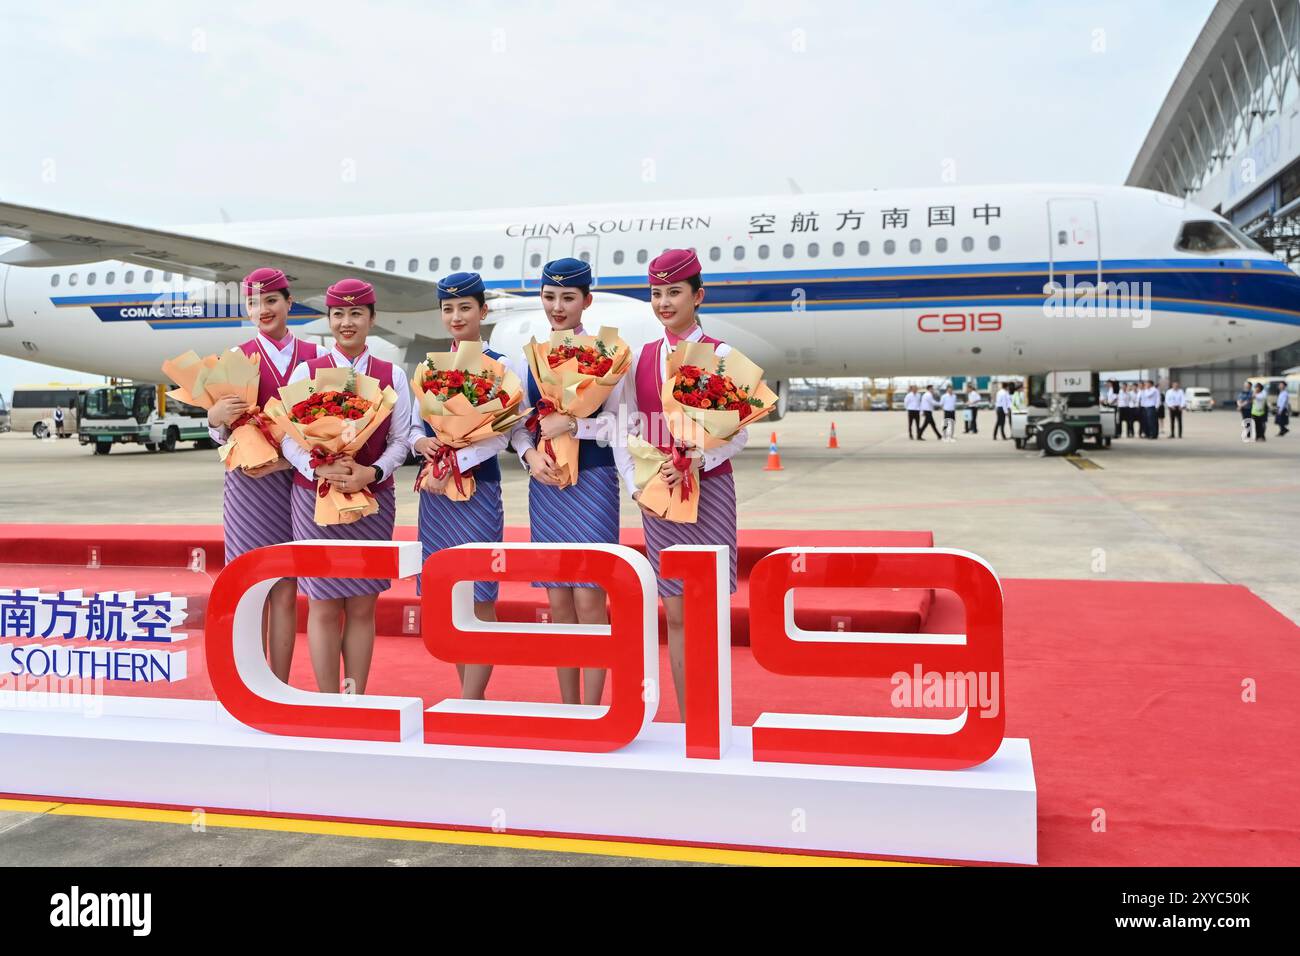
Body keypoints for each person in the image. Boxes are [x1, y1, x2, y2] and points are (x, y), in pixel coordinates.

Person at [610, 248, 748, 717]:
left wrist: (697, 459)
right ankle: (692, 718)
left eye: (674, 292)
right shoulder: (641, 359)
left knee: (708, 611)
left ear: (698, 295)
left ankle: (714, 716)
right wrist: (635, 487)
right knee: (675, 611)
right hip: (658, 497)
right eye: (656, 293)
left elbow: (740, 433)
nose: (664, 302)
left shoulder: (721, 355)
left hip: (710, 493)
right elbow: (624, 428)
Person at [282, 278, 410, 694]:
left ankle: (355, 696)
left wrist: (371, 474)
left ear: (372, 319)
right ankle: (326, 699)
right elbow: (287, 436)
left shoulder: (393, 375)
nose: (346, 322)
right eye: (338, 314)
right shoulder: (308, 371)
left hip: (371, 499)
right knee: (321, 603)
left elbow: (402, 441)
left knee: (361, 605)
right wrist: (316, 468)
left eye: (356, 313)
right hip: (314, 497)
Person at [506, 258, 619, 706]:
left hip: (593, 481)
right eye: (550, 297)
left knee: (590, 598)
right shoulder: (528, 357)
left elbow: (623, 424)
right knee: (557, 601)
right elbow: (515, 423)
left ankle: (594, 706)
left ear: (586, 301)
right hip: (547, 484)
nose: (558, 306)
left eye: (568, 298)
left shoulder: (607, 357)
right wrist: (530, 455)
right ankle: (568, 705)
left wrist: (575, 428)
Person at [205, 268, 319, 682]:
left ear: (290, 303)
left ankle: (280, 683)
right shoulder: (234, 359)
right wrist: (214, 417)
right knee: (252, 585)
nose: (264, 309)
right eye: (254, 302)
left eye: (272, 300)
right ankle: (251, 682)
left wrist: (293, 459)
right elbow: (219, 427)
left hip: (300, 482)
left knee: (286, 587)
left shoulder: (315, 357)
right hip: (251, 485)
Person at [409, 272, 510, 701]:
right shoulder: (429, 367)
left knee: (481, 594)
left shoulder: (500, 365)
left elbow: (504, 433)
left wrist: (457, 460)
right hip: (436, 494)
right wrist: (422, 443)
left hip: (479, 488)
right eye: (448, 308)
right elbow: (414, 424)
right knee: (448, 596)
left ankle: (472, 699)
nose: (456, 316)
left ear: (483, 312)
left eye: (465, 307)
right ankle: (467, 691)